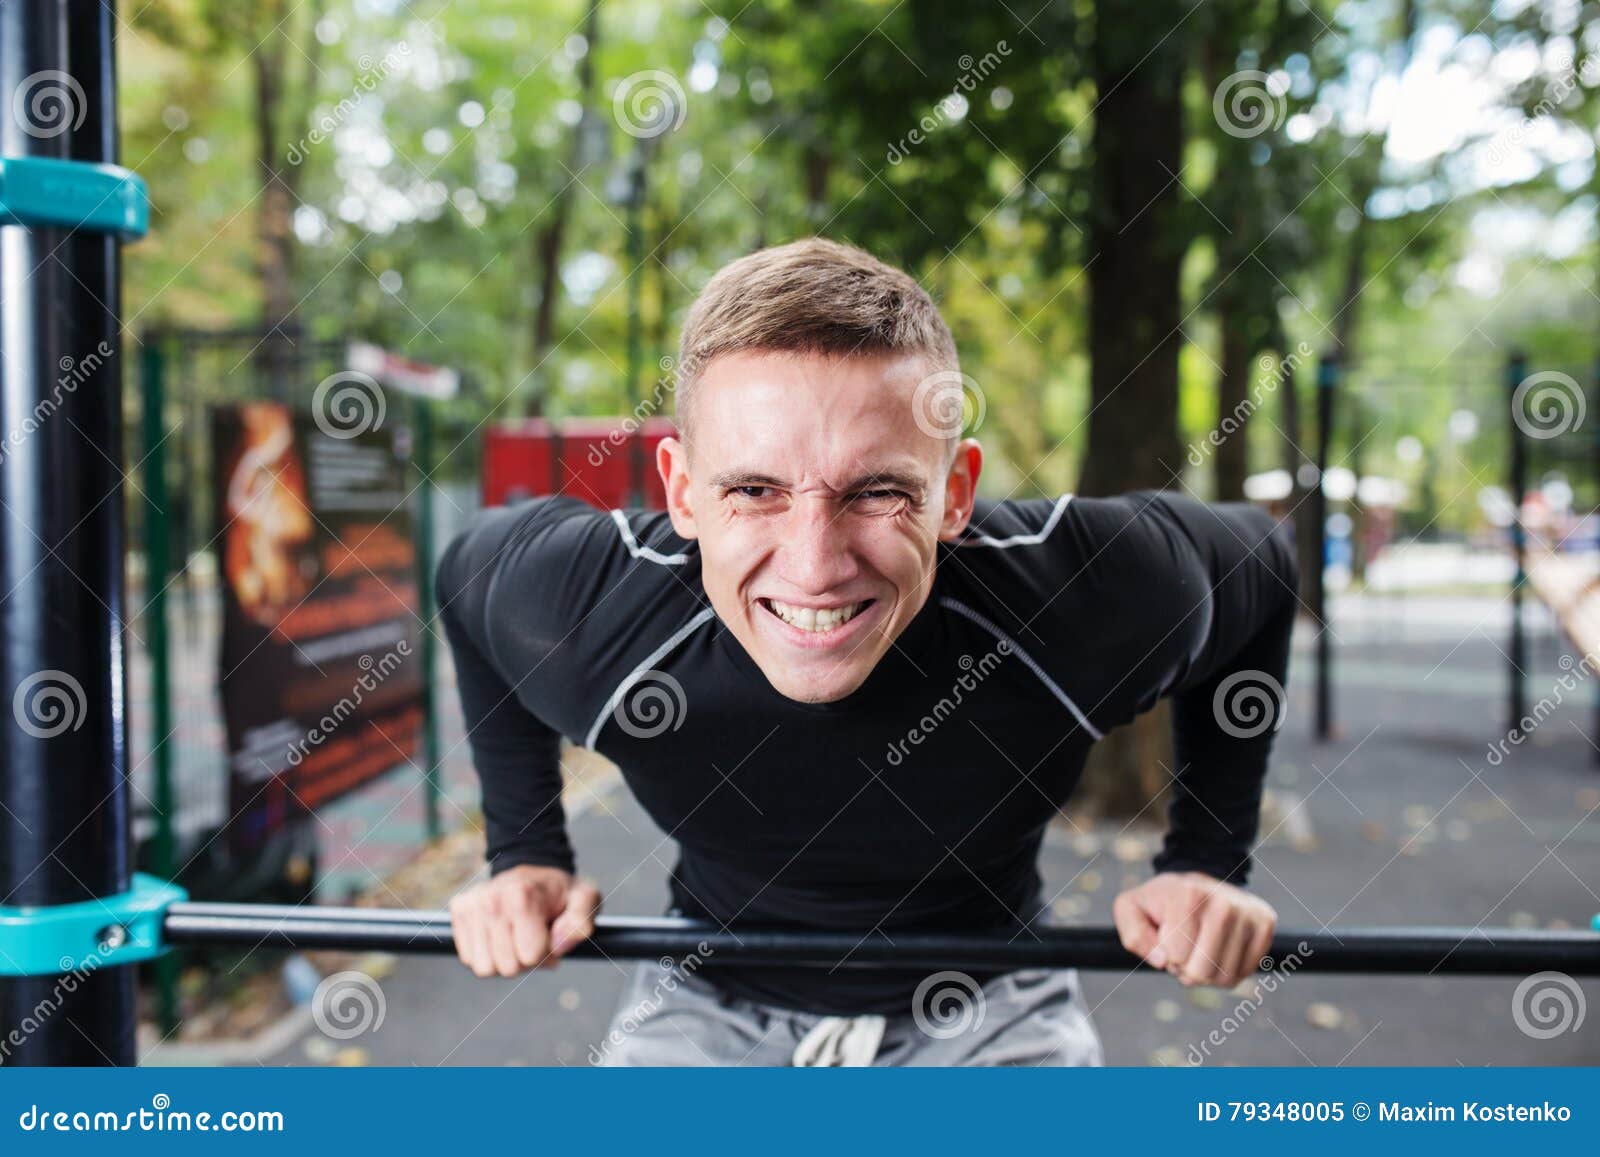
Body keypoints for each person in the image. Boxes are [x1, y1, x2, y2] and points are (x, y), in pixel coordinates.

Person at [436, 237, 1298, 1066]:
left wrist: (1207, 861)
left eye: (878, 491)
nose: (815, 566)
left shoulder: (1077, 594)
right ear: (682, 493)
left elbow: (1263, 562)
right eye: (753, 490)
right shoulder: (598, 609)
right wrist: (525, 853)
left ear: (955, 493)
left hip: (990, 1001)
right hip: (706, 994)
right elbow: (464, 578)